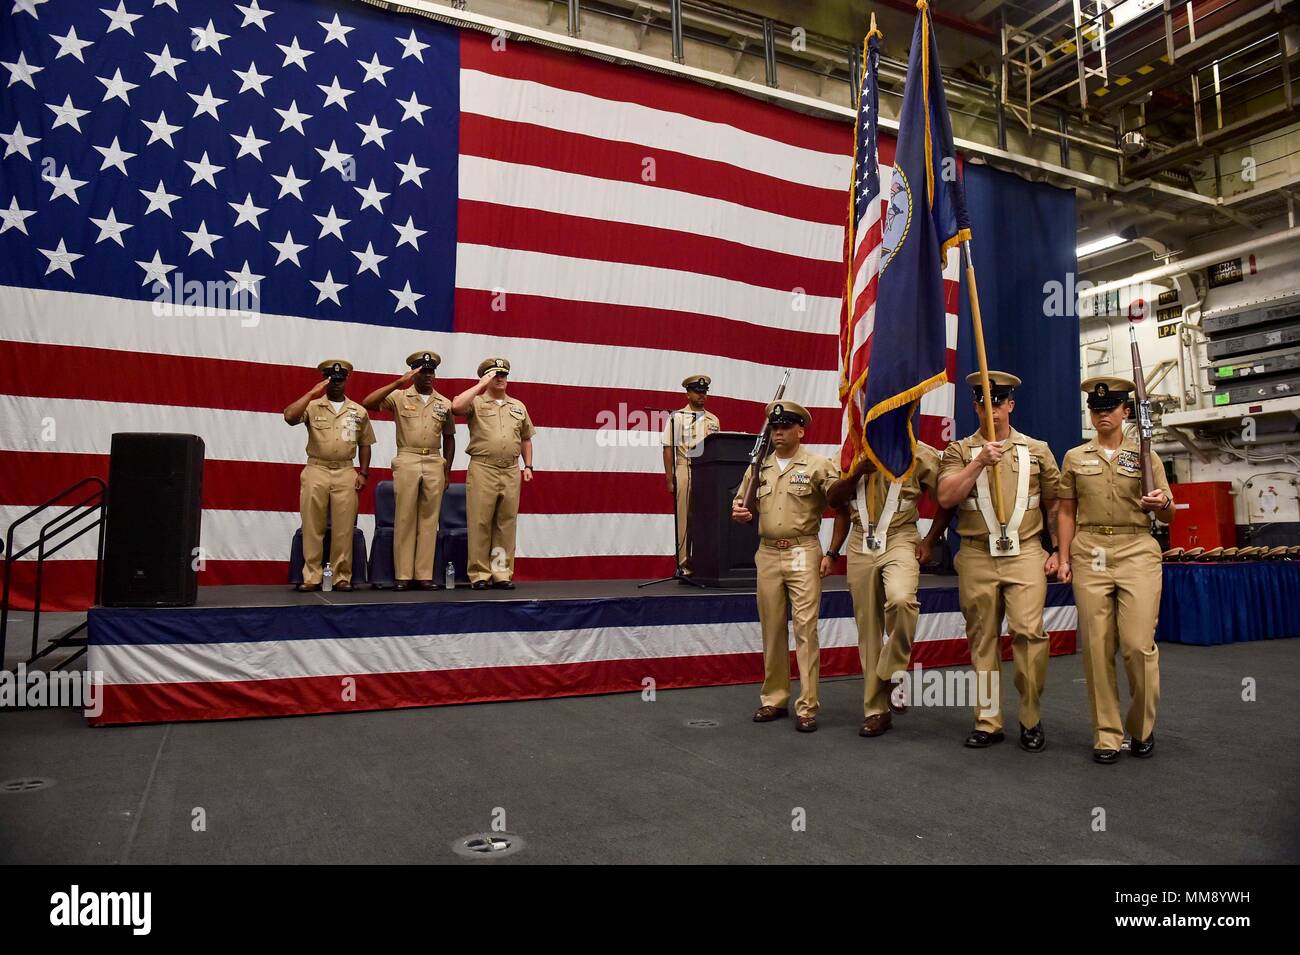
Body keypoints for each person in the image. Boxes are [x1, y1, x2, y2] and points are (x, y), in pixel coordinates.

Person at [938, 371, 1061, 751]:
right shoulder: (958, 451)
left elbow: (1056, 503)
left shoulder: (1037, 449)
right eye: (982, 402)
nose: (990, 408)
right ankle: (988, 720)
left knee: (1029, 634)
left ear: (1010, 404)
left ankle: (1030, 717)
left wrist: (1059, 550)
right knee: (982, 639)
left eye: (998, 401)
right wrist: (978, 464)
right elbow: (945, 498)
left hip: (1025, 552)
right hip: (977, 553)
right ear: (975, 406)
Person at [1057, 376, 1174, 764]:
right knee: (1095, 646)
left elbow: (1170, 511)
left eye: (1109, 409)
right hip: (1090, 549)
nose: (1102, 414)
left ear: (1126, 411)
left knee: (1138, 645)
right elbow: (1066, 510)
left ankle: (1141, 727)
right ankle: (1107, 734)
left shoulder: (1146, 454)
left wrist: (1159, 503)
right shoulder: (1075, 457)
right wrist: (1063, 555)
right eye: (1095, 409)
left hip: (1136, 548)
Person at [827, 444, 955, 737]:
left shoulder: (920, 453)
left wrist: (930, 540)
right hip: (861, 540)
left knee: (901, 600)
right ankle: (876, 711)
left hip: (900, 536)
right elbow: (833, 499)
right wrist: (856, 472)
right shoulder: (849, 452)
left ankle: (892, 670)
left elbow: (948, 499)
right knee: (868, 628)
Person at [731, 401, 841, 733]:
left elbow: (842, 507)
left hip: (802, 550)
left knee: (805, 627)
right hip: (767, 552)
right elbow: (740, 505)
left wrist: (833, 553)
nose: (778, 432)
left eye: (785, 427)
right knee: (772, 626)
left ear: (800, 431)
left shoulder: (819, 465)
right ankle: (774, 698)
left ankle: (807, 705)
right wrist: (739, 512)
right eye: (774, 427)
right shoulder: (758, 468)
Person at [362, 350, 456, 591]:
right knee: (404, 518)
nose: (428, 376)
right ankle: (403, 574)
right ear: (413, 374)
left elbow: (449, 438)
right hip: (407, 458)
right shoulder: (399, 397)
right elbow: (368, 403)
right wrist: (397, 382)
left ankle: (423, 575)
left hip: (434, 461)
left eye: (431, 371)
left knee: (428, 520)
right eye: (423, 371)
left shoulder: (444, 403)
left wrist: (447, 471)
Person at [283, 360, 376, 592]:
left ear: (346, 380)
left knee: (344, 527)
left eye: (340, 380)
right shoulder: (313, 406)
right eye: (332, 380)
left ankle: (341, 576)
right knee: (312, 525)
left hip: (346, 470)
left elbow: (366, 443)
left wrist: (363, 473)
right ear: (326, 381)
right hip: (317, 469)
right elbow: (290, 417)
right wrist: (312, 392)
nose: (336, 384)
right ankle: (312, 575)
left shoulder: (358, 411)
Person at [451, 358, 536, 590]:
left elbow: (526, 438)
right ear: (485, 378)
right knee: (480, 521)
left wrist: (528, 466)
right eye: (494, 375)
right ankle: (479, 574)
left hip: (510, 469)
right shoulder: (476, 403)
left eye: (503, 375)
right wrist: (480, 386)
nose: (500, 378)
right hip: (483, 468)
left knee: (505, 523)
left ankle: (501, 572)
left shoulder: (517, 406)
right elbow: (456, 407)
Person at [661, 375, 721, 577]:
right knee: (684, 518)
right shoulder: (677, 417)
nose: (701, 395)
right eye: (697, 391)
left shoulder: (713, 419)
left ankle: (704, 562)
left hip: (707, 473)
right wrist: (670, 478)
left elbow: (717, 447)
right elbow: (668, 448)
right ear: (688, 394)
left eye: (704, 392)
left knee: (707, 517)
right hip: (684, 467)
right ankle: (684, 566)